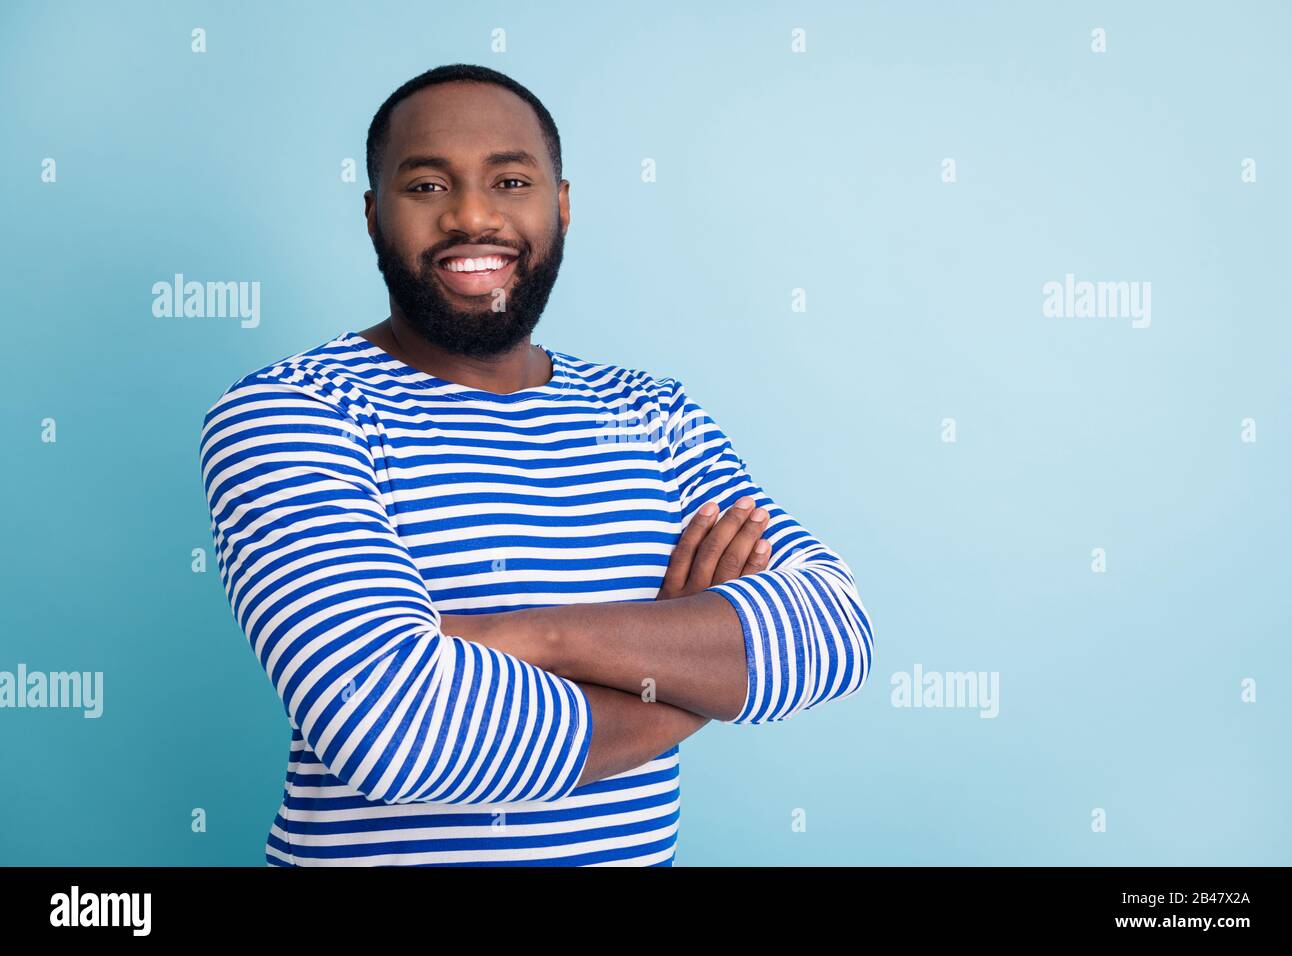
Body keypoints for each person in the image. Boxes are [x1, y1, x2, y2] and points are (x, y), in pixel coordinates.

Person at [198, 63, 874, 866]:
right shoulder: (294, 411)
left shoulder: (653, 414)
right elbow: (391, 729)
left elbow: (833, 627)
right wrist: (687, 682)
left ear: (560, 205)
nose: (472, 216)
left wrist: (530, 637)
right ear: (375, 218)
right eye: (425, 187)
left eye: (510, 179)